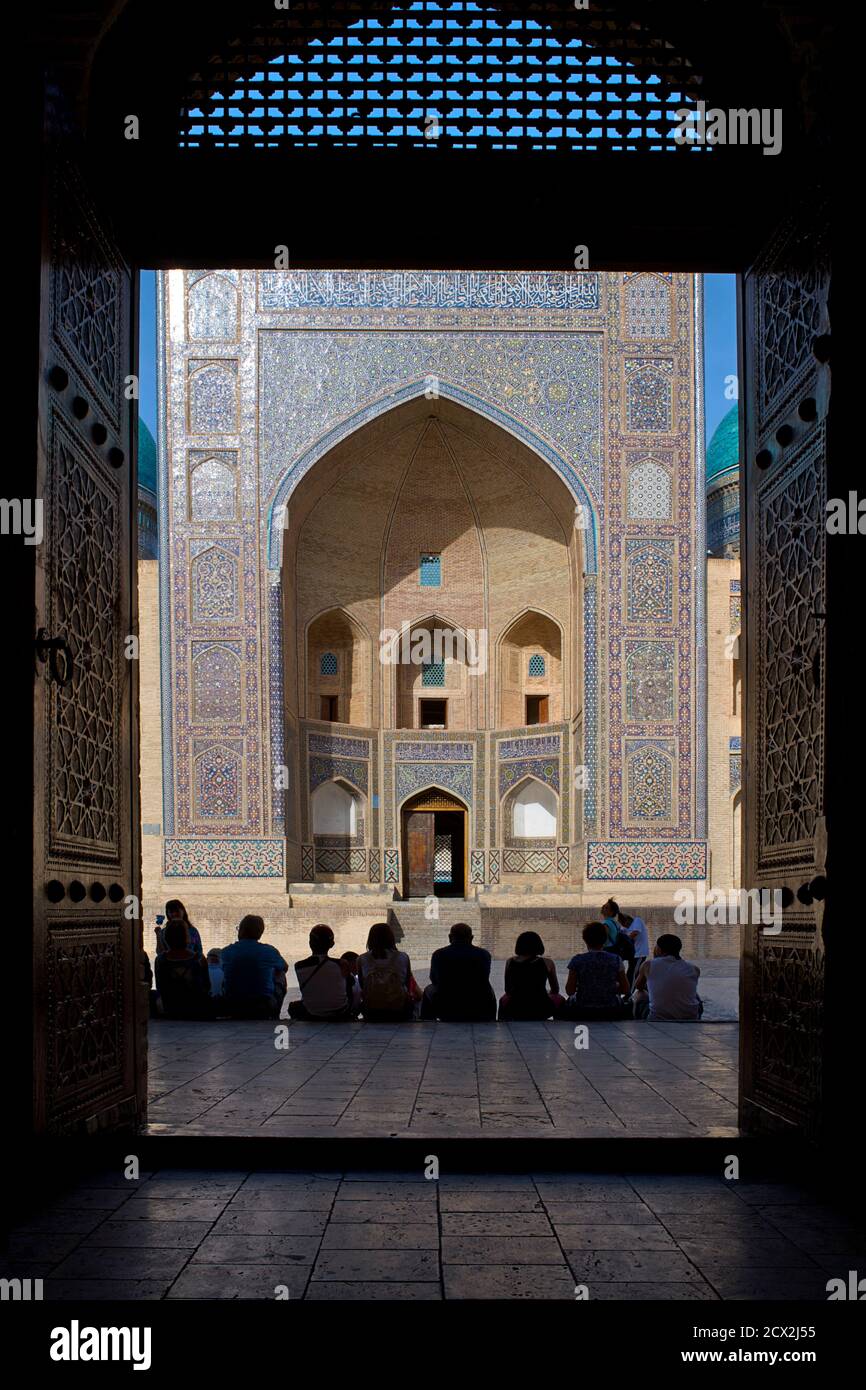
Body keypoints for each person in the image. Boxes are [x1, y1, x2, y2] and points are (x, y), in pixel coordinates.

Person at [420, 923, 497, 1021]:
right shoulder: (484, 954)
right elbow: (484, 978)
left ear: (450, 937)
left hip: (446, 1003)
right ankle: (491, 1019)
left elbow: (434, 979)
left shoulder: (439, 954)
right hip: (477, 1003)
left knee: (428, 989)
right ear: (471, 938)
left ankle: (427, 1020)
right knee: (490, 991)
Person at [220, 915, 288, 1019]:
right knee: (280, 974)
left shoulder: (226, 952)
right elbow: (285, 967)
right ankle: (274, 1015)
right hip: (262, 1006)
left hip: (232, 1004)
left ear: (241, 931)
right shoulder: (269, 951)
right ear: (260, 933)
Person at [560, 922, 632, 1020]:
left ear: (585, 940)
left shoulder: (577, 960)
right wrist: (613, 986)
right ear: (605, 940)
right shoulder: (616, 960)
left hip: (583, 1009)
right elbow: (626, 989)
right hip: (610, 1009)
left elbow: (569, 991)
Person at [289, 925, 356, 1020]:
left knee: (293, 1006)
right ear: (332, 944)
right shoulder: (341, 964)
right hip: (340, 1011)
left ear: (310, 943)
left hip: (312, 1012)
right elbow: (351, 984)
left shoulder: (299, 966)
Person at [632, 934, 703, 1021]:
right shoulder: (694, 969)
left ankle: (638, 1022)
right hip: (690, 1017)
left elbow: (638, 986)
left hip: (657, 1017)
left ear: (659, 949)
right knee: (695, 995)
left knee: (640, 994)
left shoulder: (648, 965)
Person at [498, 931, 564, 1020]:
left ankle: (503, 1022)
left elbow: (508, 990)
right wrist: (547, 992)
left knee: (503, 999)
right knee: (560, 999)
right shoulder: (548, 963)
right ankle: (561, 1023)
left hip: (515, 1008)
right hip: (542, 1008)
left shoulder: (510, 962)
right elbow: (555, 990)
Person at [154, 920, 212, 1019]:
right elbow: (207, 986)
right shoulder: (199, 959)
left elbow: (160, 987)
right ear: (187, 937)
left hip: (170, 1008)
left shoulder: (160, 960)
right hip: (196, 1008)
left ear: (167, 937)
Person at [357, 923, 414, 1021]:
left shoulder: (362, 959)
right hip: (398, 1010)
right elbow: (407, 983)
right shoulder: (403, 957)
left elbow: (363, 985)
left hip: (371, 1011)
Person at [600, 898, 636, 973]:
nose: (603, 908)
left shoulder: (606, 923)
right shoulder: (615, 923)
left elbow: (603, 939)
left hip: (607, 953)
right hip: (615, 953)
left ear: (611, 912)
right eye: (604, 906)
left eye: (606, 907)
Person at [616, 907, 649, 986]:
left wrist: (626, 939)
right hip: (632, 954)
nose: (624, 925)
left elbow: (635, 932)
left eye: (624, 922)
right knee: (632, 972)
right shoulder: (625, 928)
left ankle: (629, 994)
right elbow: (619, 933)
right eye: (622, 924)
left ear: (628, 919)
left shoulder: (637, 921)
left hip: (639, 953)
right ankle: (641, 990)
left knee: (633, 974)